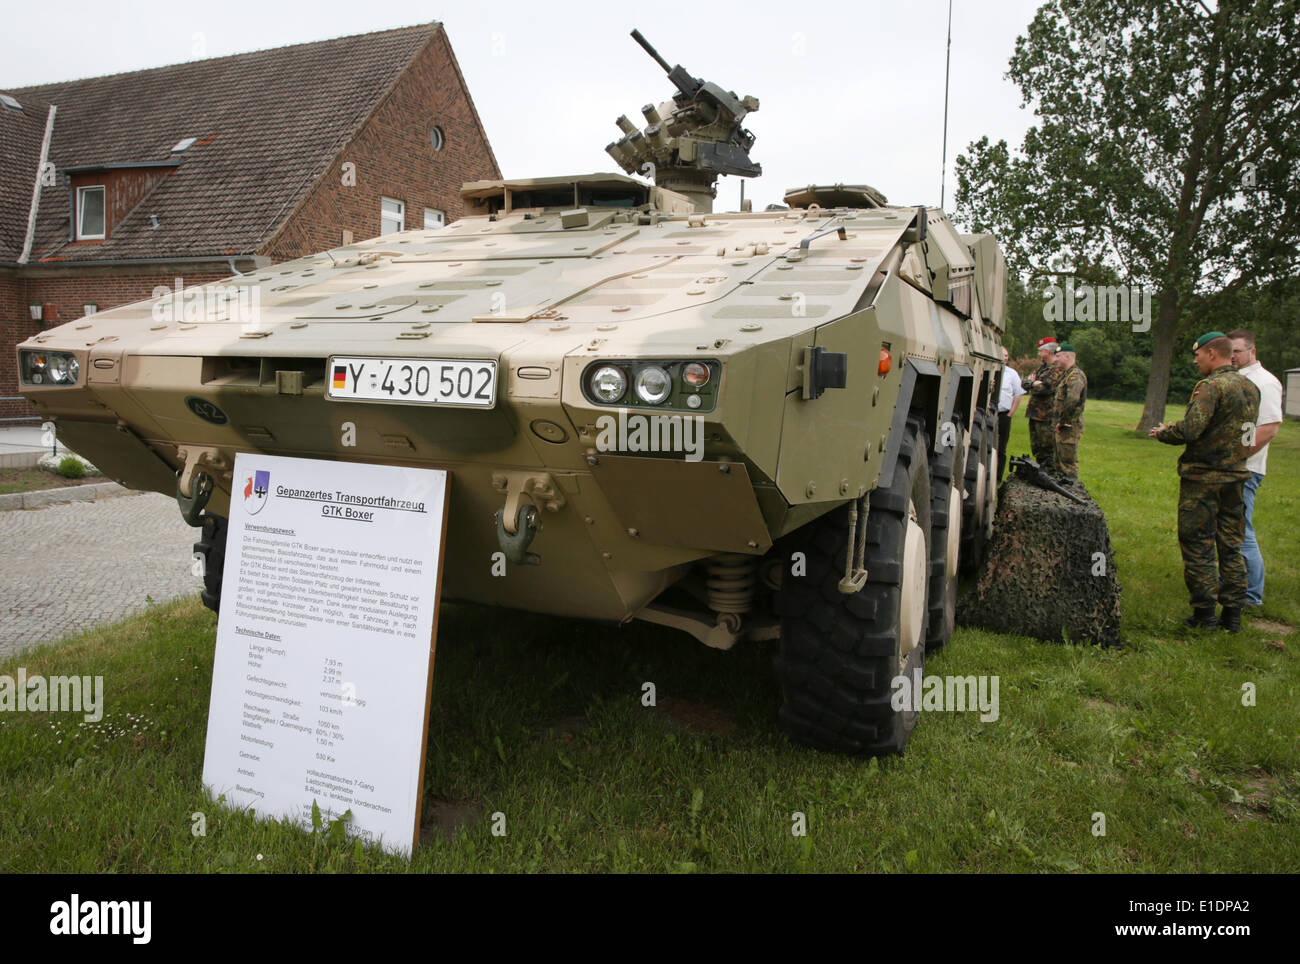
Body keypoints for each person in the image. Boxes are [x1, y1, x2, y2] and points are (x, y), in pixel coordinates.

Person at [1149, 331, 1260, 632]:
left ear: (1212, 353)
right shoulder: (1251, 387)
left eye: (1198, 355)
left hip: (1203, 480)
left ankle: (1204, 615)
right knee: (1231, 546)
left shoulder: (1210, 387)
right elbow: (1248, 435)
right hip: (1236, 477)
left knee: (1198, 545)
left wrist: (1163, 432)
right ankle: (1233, 616)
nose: (1195, 360)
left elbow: (1192, 429)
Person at [1228, 329, 1283, 611]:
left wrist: (1237, 458)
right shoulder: (1239, 379)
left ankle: (1251, 595)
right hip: (1231, 467)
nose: (1233, 357)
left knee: (1241, 530)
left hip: (1246, 469)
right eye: (1230, 351)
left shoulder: (1265, 382)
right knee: (1229, 529)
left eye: (1237, 351)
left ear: (1253, 351)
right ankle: (1234, 585)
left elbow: (1269, 428)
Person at [1023, 337, 1061, 471]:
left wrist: (1032, 383)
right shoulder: (1043, 368)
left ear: (1048, 352)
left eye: (1040, 351)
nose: (1038, 354)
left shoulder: (1056, 369)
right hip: (1035, 414)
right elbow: (1024, 383)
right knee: (1037, 448)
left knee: (1047, 449)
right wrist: (1032, 383)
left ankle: (1049, 474)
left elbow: (1045, 388)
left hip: (1046, 416)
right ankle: (1041, 473)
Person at [1051, 344, 1087, 479]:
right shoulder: (1067, 375)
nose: (1055, 360)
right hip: (1063, 426)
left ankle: (1071, 493)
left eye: (1058, 356)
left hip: (1068, 427)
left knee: (1067, 466)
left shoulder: (1075, 376)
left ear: (1067, 356)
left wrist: (1063, 421)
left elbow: (1072, 400)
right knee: (1059, 463)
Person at [996, 346, 1025, 481]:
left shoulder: (1012, 374)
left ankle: (998, 478)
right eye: (1002, 354)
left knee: (1001, 448)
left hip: (1004, 415)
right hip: (990, 415)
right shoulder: (991, 371)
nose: (1005, 357)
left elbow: (1018, 395)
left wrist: (1010, 415)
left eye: (1007, 355)